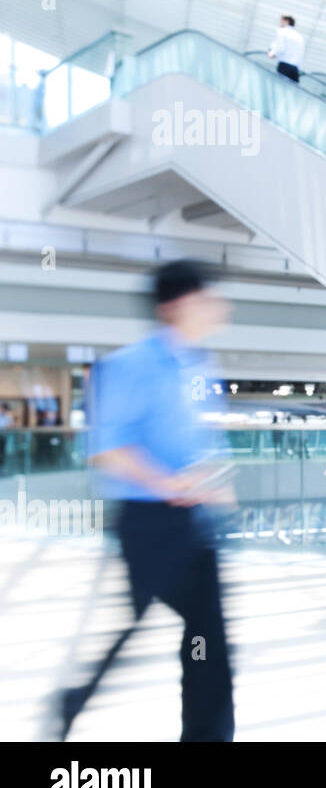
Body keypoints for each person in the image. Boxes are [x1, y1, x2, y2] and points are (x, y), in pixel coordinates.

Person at [65, 259, 236, 741]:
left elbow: (204, 444)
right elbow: (106, 447)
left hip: (191, 523)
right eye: (209, 297)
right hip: (148, 523)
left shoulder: (201, 365)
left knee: (206, 637)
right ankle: (74, 701)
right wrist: (170, 484)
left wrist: (213, 485)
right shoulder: (128, 364)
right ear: (179, 304)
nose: (220, 306)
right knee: (139, 629)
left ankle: (206, 734)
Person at [266, 14, 305, 82]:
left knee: (279, 88)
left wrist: (271, 54)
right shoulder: (299, 36)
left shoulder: (282, 31)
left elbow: (280, 49)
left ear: (286, 21)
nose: (280, 23)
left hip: (284, 67)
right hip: (295, 70)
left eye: (281, 21)